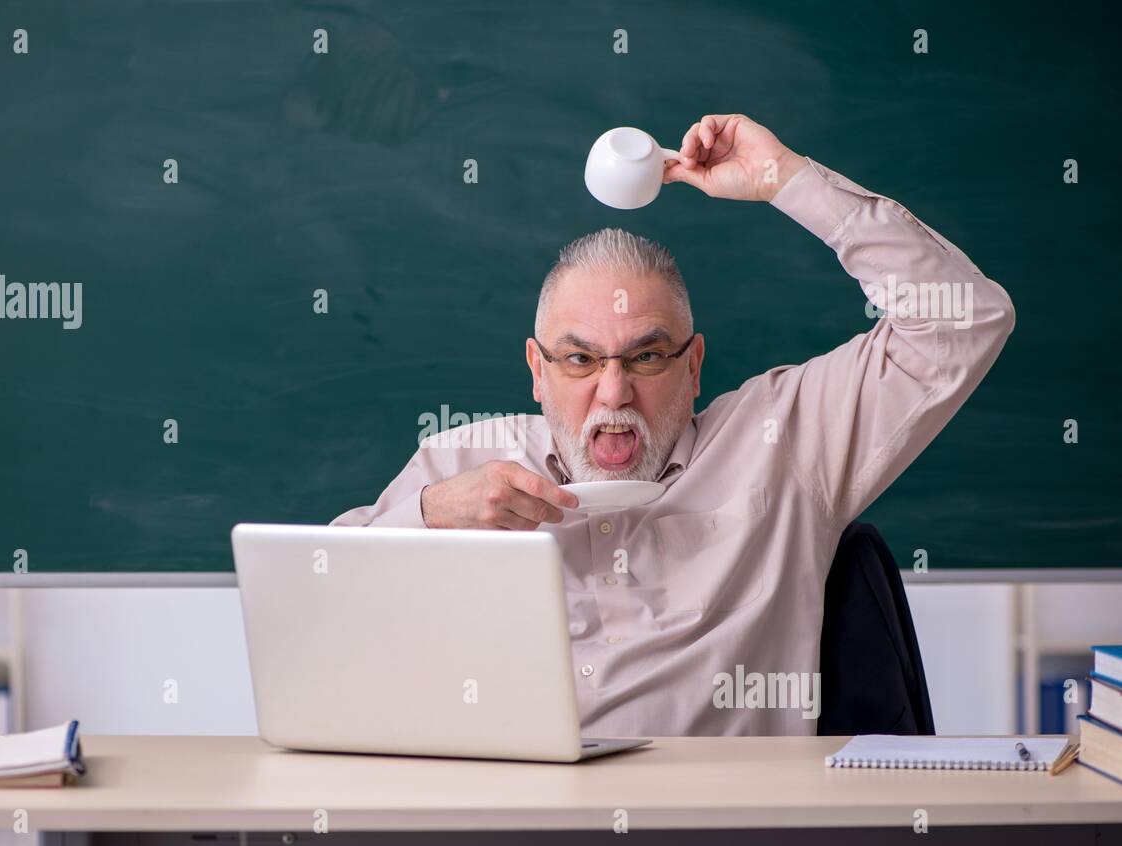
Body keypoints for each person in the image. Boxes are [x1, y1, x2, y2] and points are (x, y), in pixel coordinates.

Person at [332, 113, 1015, 736]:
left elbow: (964, 319)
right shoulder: (462, 465)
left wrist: (785, 179)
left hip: (723, 831)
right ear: (536, 371)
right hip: (510, 824)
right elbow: (318, 594)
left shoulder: (782, 442)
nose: (614, 390)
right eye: (579, 359)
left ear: (694, 367)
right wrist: (427, 513)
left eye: (647, 355)